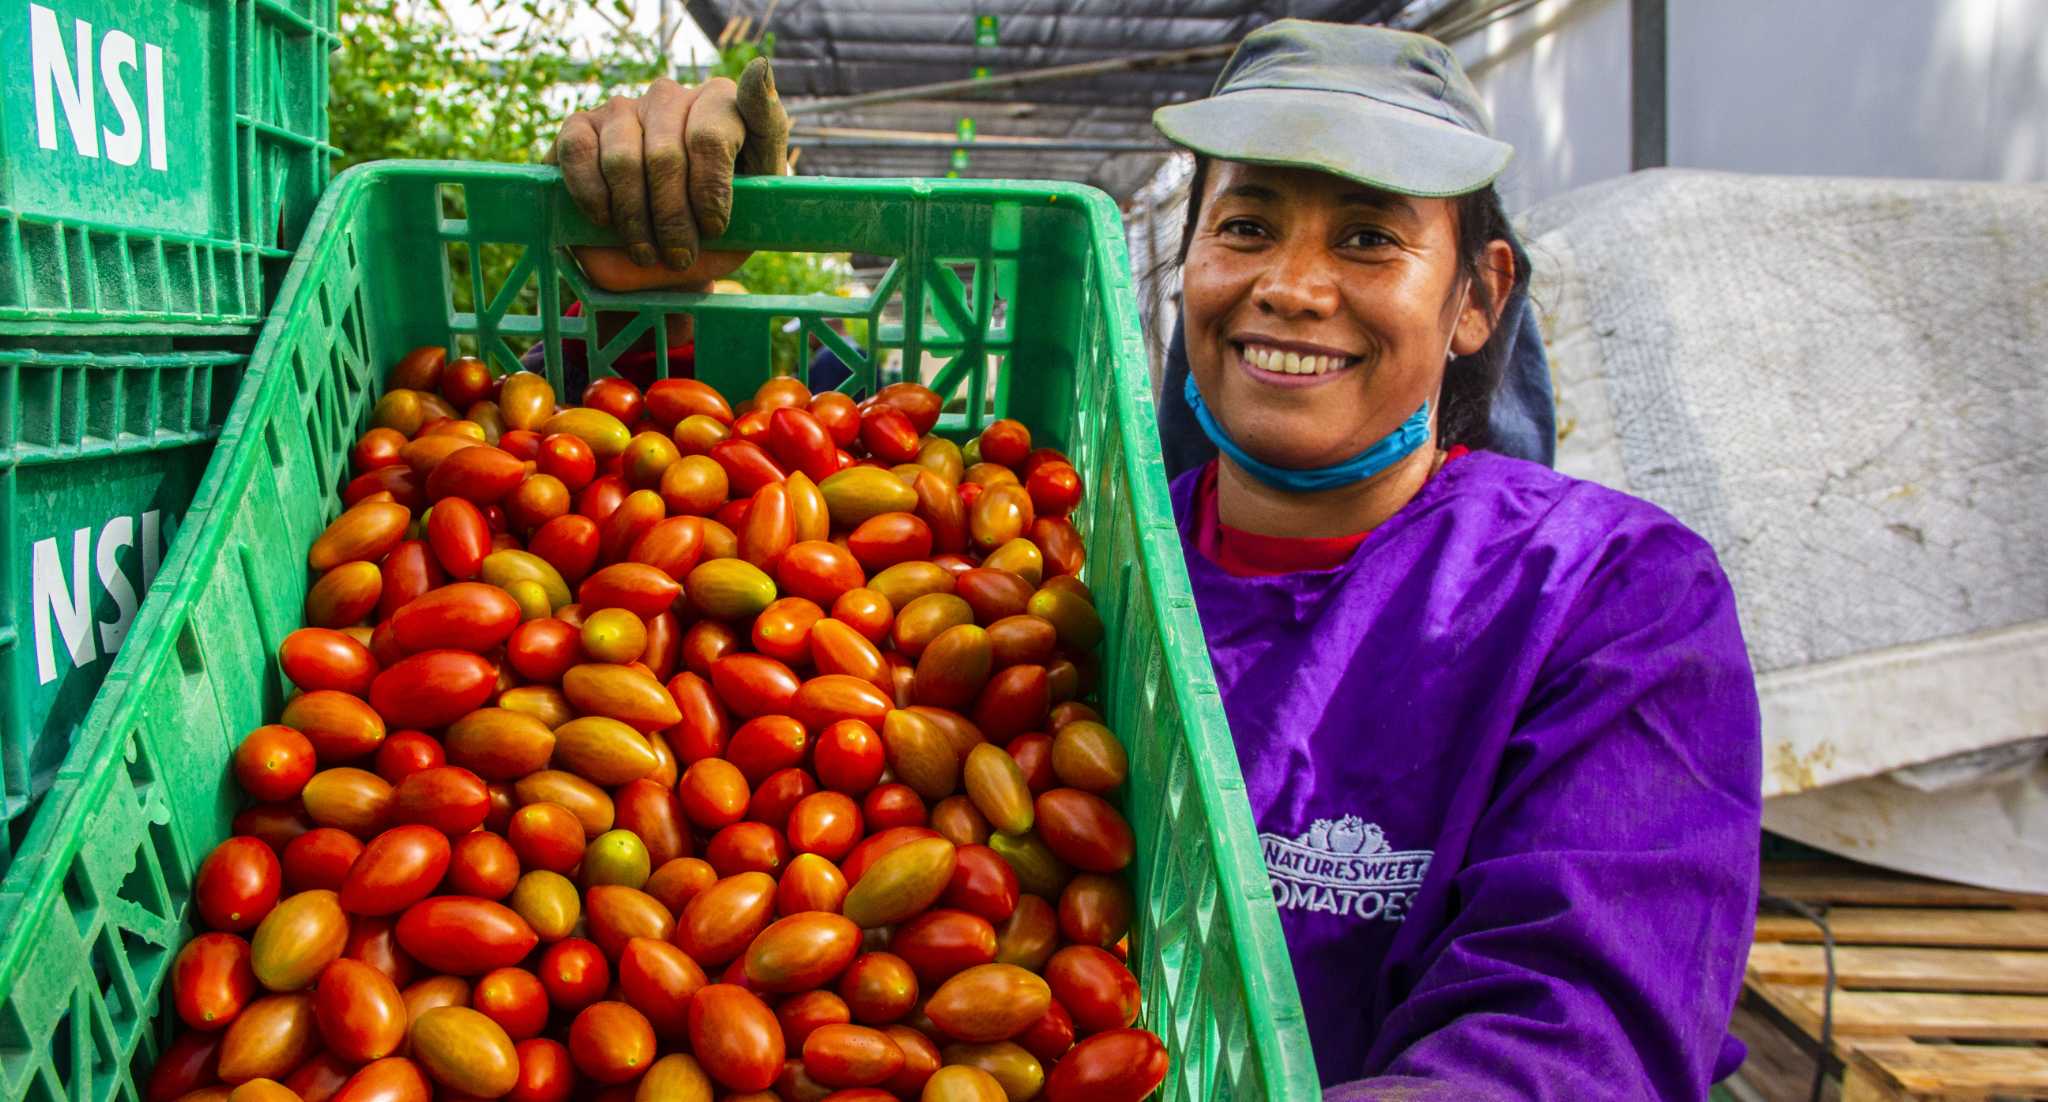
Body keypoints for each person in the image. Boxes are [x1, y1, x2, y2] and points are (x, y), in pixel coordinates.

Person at [548, 21, 1761, 1100]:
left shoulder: (1607, 595)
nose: (1290, 286)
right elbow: (707, 497)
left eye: (1366, 238)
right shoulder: (1076, 555)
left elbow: (1581, 1027)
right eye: (1245, 226)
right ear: (1188, 268)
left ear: (1475, 298)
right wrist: (659, 296)